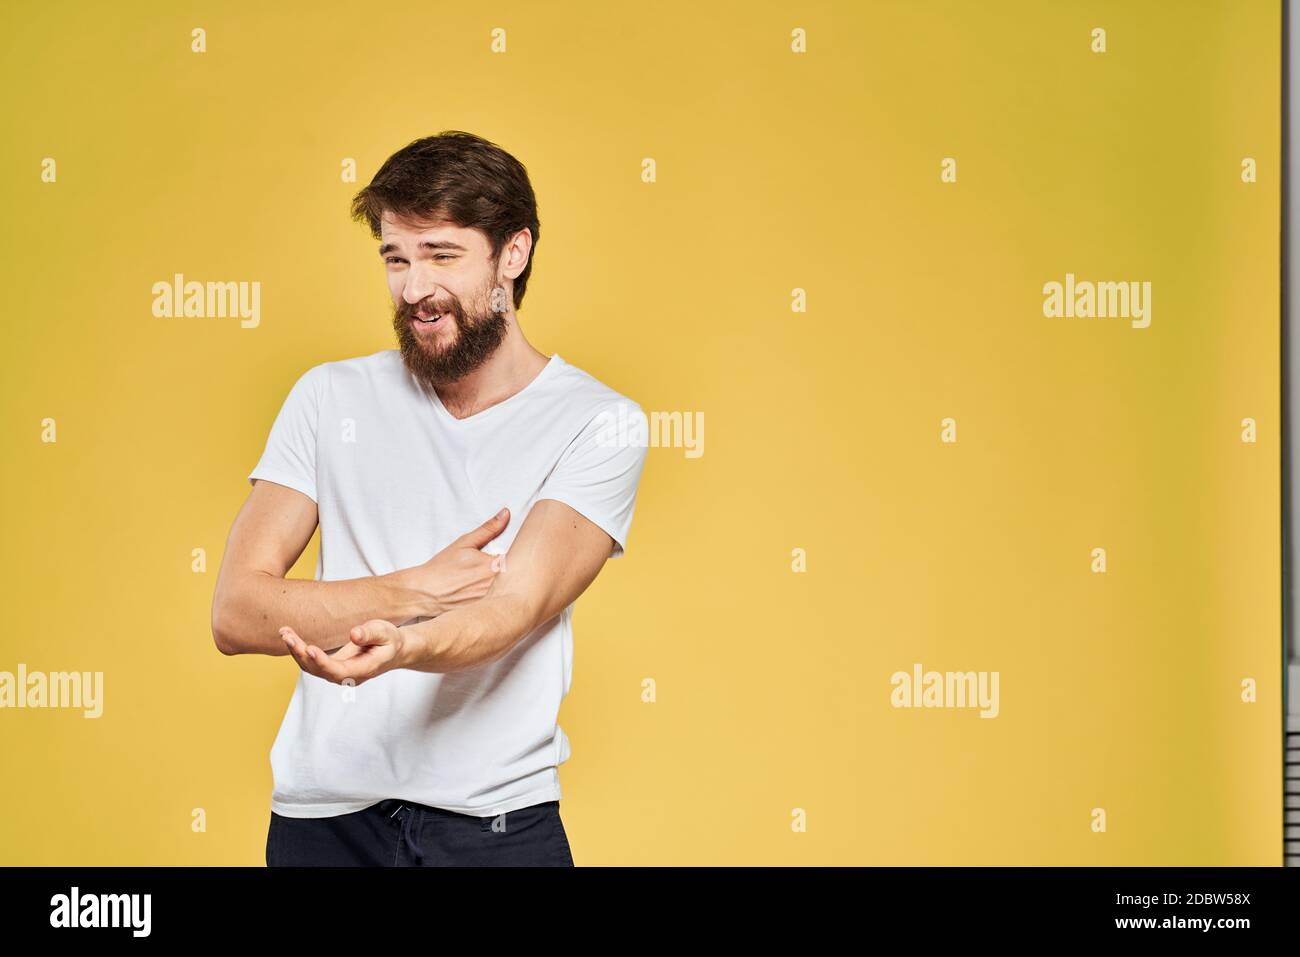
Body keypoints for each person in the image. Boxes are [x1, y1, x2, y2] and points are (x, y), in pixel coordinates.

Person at [211, 131, 649, 867]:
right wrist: (410, 592)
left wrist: (399, 646)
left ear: (514, 253)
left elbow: (508, 611)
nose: (415, 289)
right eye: (396, 258)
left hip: (495, 824)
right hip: (325, 820)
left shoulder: (597, 421)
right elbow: (235, 610)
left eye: (441, 256)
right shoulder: (327, 398)